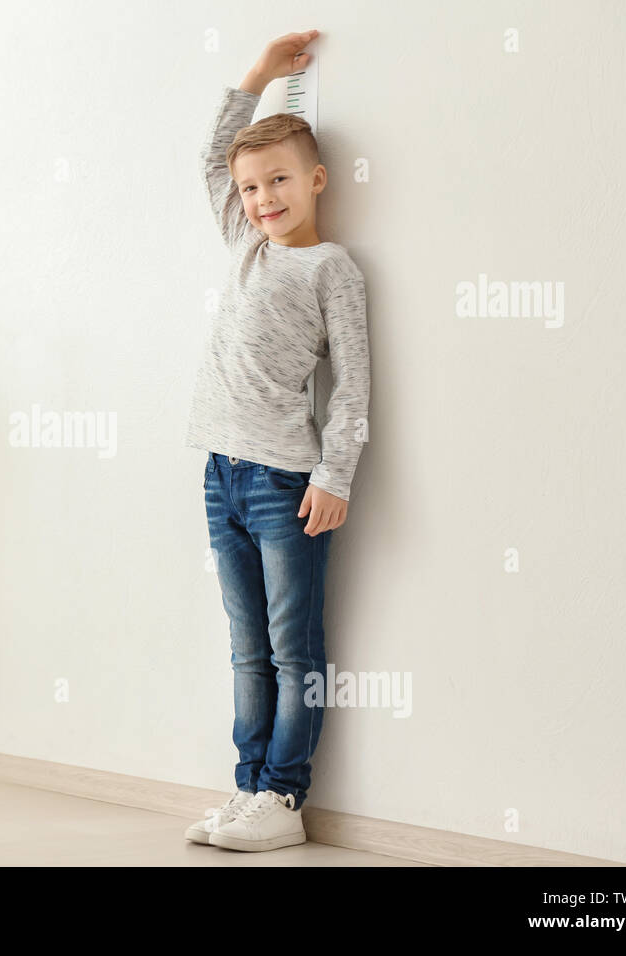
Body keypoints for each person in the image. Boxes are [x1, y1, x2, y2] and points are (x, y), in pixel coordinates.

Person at [183, 29, 370, 852]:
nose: (263, 197)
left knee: (295, 649)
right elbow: (213, 157)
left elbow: (356, 388)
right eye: (253, 187)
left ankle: (285, 800)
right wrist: (258, 76)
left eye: (280, 180)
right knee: (245, 649)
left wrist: (336, 476)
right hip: (219, 476)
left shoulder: (331, 267)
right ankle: (247, 788)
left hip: (283, 483)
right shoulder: (244, 243)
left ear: (316, 180)